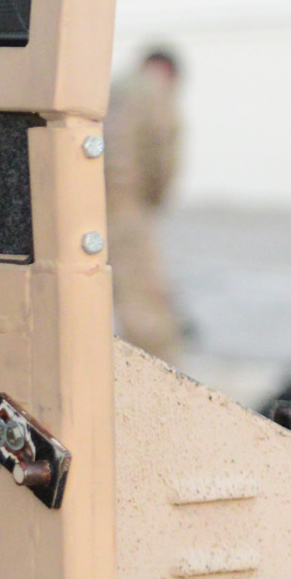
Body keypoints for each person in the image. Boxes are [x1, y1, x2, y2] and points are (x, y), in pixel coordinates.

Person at [105, 45, 184, 361]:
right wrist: (153, 200)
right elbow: (163, 156)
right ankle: (165, 393)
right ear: (169, 72)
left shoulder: (110, 88)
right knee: (147, 311)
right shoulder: (155, 92)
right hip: (127, 207)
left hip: (81, 203)